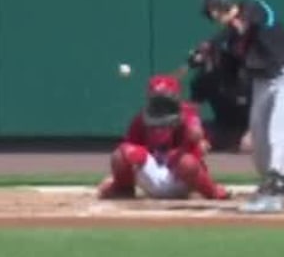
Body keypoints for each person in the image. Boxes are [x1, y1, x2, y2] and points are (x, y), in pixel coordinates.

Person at [200, 0, 284, 213]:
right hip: (262, 84)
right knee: (258, 139)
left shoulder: (253, 6)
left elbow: (247, 22)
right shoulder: (230, 40)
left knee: (277, 132)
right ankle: (271, 182)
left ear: (221, 5)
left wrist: (219, 38)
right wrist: (206, 55)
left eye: (213, 10)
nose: (212, 15)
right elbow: (227, 65)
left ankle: (276, 185)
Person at [94, 74, 232, 203]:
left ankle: (212, 191)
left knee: (187, 162)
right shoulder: (141, 118)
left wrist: (197, 137)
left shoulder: (187, 114)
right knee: (121, 154)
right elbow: (126, 151)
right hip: (152, 172)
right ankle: (122, 189)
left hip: (180, 177)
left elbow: (197, 134)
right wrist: (118, 177)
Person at [185, 29, 251, 153]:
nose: (206, 59)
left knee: (248, 145)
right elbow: (192, 111)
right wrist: (198, 137)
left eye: (210, 54)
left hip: (251, 127)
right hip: (222, 126)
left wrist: (251, 133)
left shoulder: (245, 76)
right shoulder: (203, 79)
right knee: (191, 136)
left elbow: (264, 111)